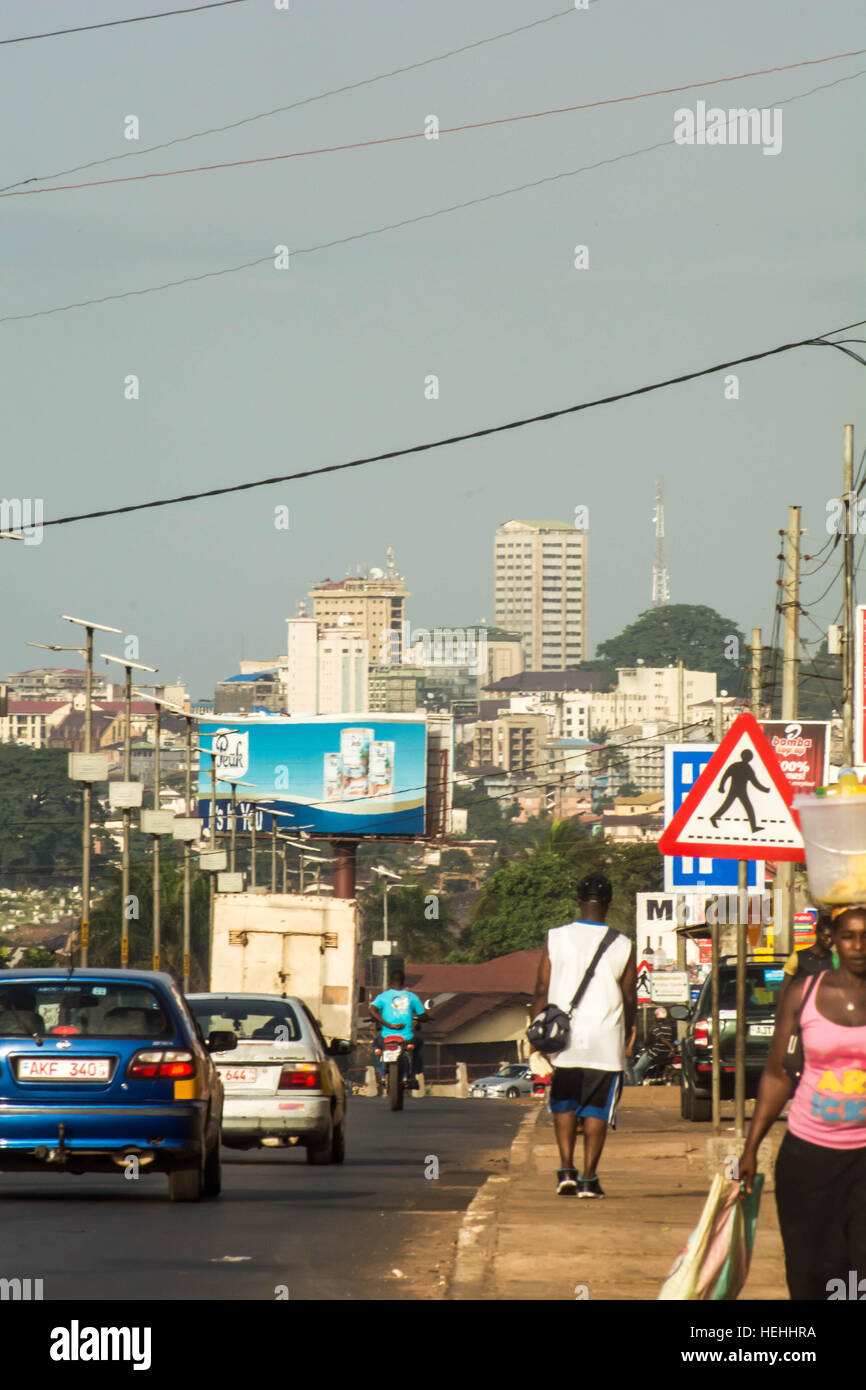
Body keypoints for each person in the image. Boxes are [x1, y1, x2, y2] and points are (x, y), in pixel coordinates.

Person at [740, 904, 866, 1300]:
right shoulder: (803, 994)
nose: (859, 946)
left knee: (858, 1274)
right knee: (812, 1269)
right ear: (833, 940)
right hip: (808, 1159)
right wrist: (750, 1149)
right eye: (849, 936)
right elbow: (778, 1075)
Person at [529, 871, 637, 1198]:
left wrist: (536, 1034)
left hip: (564, 1041)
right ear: (609, 904)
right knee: (597, 1111)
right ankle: (590, 1179)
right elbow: (629, 996)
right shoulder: (623, 944)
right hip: (605, 1040)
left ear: (578, 902)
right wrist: (629, 1031)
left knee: (563, 1105)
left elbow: (541, 988)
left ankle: (565, 1172)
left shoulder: (556, 937)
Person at [369, 969, 426, 1089]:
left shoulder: (383, 996)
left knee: (376, 1045)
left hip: (386, 1037)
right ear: (403, 982)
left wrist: (387, 1024)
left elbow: (371, 1010)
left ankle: (379, 1073)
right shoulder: (412, 997)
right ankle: (414, 1074)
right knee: (419, 1043)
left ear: (390, 981)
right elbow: (422, 1015)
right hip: (407, 1038)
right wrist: (426, 1018)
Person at [776, 911, 835, 1012]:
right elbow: (784, 989)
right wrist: (781, 1013)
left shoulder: (835, 959)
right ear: (816, 933)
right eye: (826, 936)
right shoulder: (798, 957)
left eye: (832, 937)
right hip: (800, 1012)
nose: (829, 940)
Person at [630, 1006, 676, 1084]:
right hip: (665, 1054)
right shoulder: (669, 1027)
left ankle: (636, 1085)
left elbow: (661, 1038)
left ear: (656, 1016)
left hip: (654, 1053)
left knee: (636, 1069)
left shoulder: (656, 1027)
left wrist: (671, 1047)